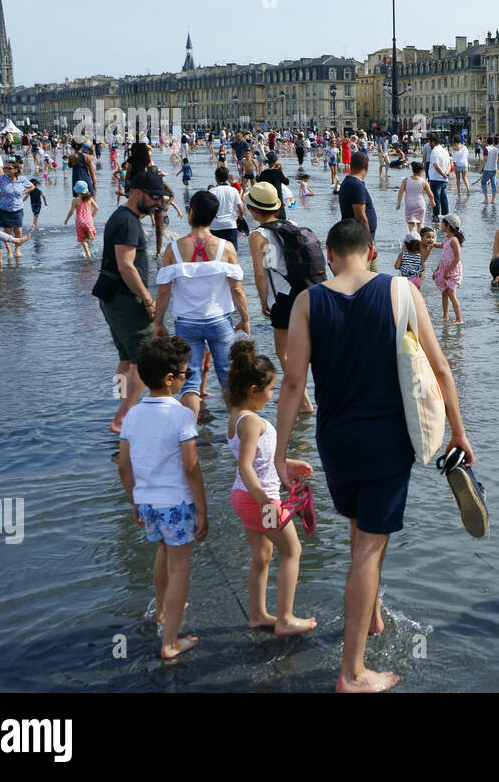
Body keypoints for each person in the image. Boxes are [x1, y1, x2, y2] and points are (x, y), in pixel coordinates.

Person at [272, 219, 472, 691]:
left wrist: (279, 454)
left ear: (331, 254)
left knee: (359, 526)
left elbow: (294, 383)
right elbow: (440, 368)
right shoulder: (400, 291)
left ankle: (373, 613)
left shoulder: (307, 300)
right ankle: (353, 672)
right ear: (373, 252)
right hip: (387, 442)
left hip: (335, 440)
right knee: (367, 549)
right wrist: (459, 433)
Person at [113, 335, 207, 659]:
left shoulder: (133, 414)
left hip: (147, 502)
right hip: (176, 504)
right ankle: (170, 642)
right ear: (170, 379)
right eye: (184, 374)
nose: (185, 379)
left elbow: (124, 466)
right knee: (181, 567)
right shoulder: (182, 415)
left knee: (163, 552)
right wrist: (203, 512)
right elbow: (192, 468)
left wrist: (135, 502)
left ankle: (163, 612)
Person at [225, 338, 317, 636]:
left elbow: (257, 459)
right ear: (253, 391)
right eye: (270, 389)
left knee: (261, 556)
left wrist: (289, 463)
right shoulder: (252, 422)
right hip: (259, 498)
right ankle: (286, 618)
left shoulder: (236, 418)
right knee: (293, 551)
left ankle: (258, 614)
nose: (271, 395)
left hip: (242, 496)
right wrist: (265, 500)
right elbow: (246, 466)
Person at [153, 189, 250, 423]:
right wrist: (245, 318)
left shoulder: (173, 249)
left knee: (190, 379)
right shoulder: (226, 247)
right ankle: (238, 436)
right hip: (219, 320)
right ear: (214, 216)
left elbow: (164, 291)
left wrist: (158, 323)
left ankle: (189, 438)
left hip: (187, 322)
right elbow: (237, 289)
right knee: (228, 377)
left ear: (191, 213)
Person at [97, 170, 172, 432]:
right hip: (126, 298)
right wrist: (148, 299)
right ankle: (122, 417)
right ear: (137, 192)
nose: (158, 204)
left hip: (111, 296)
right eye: (154, 198)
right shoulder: (128, 222)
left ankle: (120, 401)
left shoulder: (121, 216)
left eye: (161, 199)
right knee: (145, 358)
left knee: (126, 357)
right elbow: (126, 266)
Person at [246, 182, 315, 415]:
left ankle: (304, 402)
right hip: (305, 292)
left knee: (283, 352)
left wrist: (263, 301)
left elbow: (260, 272)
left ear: (254, 210)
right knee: (306, 349)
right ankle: (296, 393)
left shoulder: (257, 235)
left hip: (283, 298)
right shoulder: (291, 224)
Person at [432, 213, 464, 324]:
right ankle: (445, 316)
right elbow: (443, 252)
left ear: (448, 225)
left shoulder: (454, 240)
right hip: (445, 269)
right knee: (444, 292)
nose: (441, 225)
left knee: (451, 293)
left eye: (443, 223)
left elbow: (457, 257)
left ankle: (459, 319)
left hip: (453, 270)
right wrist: (437, 269)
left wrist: (448, 271)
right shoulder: (447, 239)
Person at [338, 152, 377, 240]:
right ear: (366, 167)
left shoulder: (348, 182)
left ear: (350, 165)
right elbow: (360, 217)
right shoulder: (356, 185)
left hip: (351, 234)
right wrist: (369, 242)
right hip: (358, 239)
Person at [208, 167, 245, 251]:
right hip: (230, 225)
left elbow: (208, 211)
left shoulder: (211, 192)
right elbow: (241, 209)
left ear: (216, 178)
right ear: (227, 178)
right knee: (232, 253)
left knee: (216, 253)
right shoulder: (234, 191)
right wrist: (239, 218)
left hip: (215, 226)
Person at [64, 181, 100, 257]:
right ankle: (90, 232)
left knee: (82, 240)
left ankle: (88, 254)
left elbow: (71, 212)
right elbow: (97, 208)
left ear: (77, 190)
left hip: (80, 221)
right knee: (90, 237)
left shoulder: (75, 200)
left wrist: (66, 220)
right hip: (89, 220)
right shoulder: (90, 199)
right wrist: (92, 215)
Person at [426, 135, 452, 220]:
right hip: (444, 180)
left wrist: (443, 174)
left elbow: (436, 165)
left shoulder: (435, 151)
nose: (429, 144)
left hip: (436, 178)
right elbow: (449, 164)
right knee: (444, 198)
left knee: (435, 198)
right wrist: (446, 173)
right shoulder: (445, 150)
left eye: (429, 142)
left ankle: (436, 216)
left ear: (433, 142)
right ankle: (446, 216)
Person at [477, 137, 499, 204]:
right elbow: (497, 159)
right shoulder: (496, 149)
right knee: (493, 184)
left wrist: (481, 168)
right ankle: (493, 200)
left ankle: (486, 199)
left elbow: (485, 159)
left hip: (487, 169)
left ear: (487, 142)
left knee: (483, 183)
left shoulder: (486, 149)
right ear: (493, 142)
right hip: (494, 169)